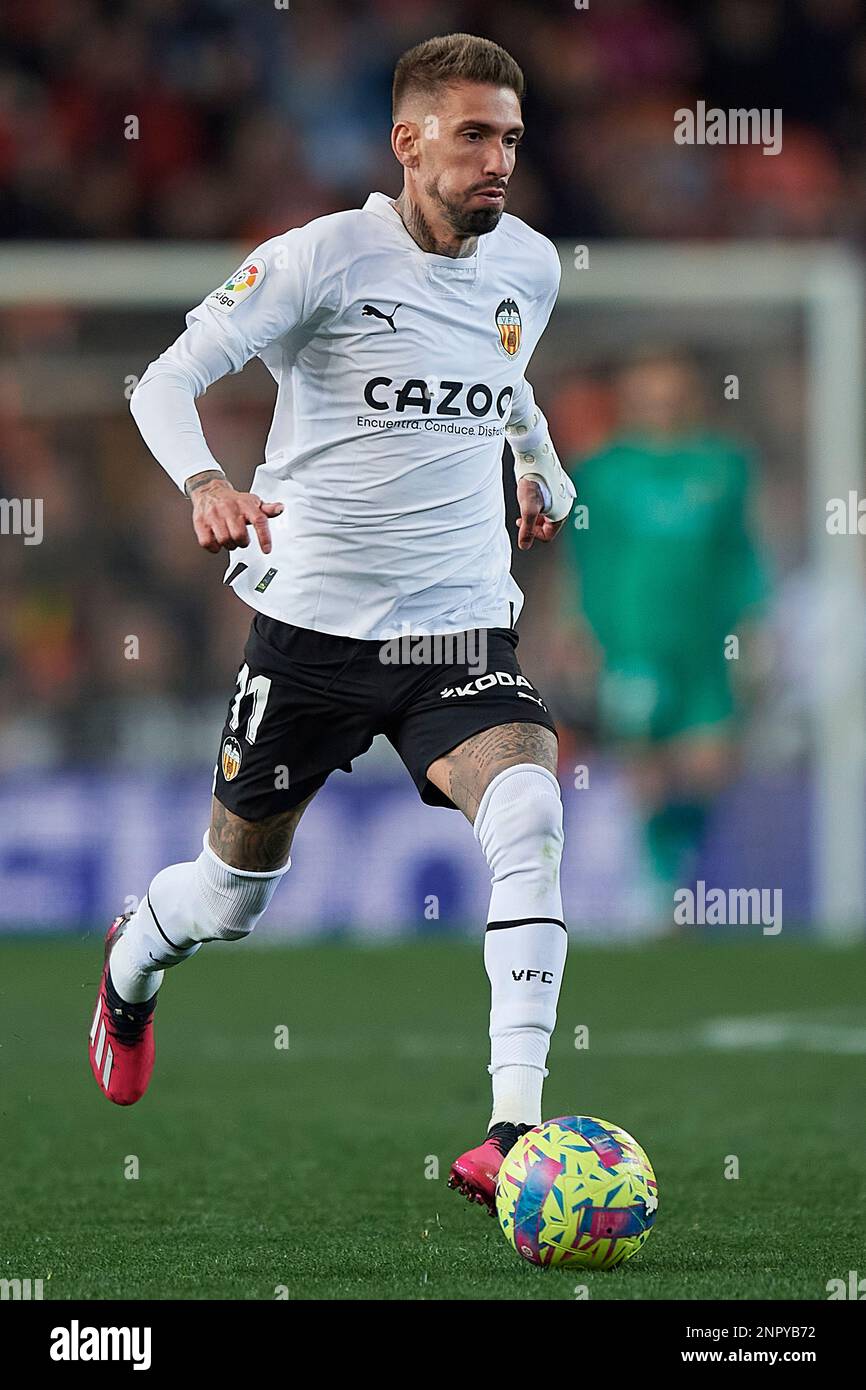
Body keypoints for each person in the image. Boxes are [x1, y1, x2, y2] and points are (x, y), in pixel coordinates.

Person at [88, 32, 576, 1214]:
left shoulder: (527, 264)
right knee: (232, 896)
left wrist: (537, 463)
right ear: (407, 141)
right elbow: (164, 379)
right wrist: (206, 482)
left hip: (456, 631)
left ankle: (512, 1129)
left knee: (527, 809)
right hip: (309, 631)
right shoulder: (320, 257)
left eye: (509, 138)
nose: (496, 160)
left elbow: (503, 374)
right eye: (471, 135)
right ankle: (132, 957)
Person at [560, 347, 768, 907]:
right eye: (649, 398)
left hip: (708, 648)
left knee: (707, 767)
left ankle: (680, 872)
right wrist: (578, 630)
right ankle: (658, 893)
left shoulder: (724, 465)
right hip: (632, 645)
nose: (661, 407)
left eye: (671, 396)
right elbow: (586, 559)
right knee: (645, 772)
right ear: (630, 402)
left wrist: (754, 624)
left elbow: (741, 554)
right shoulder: (603, 471)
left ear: (690, 398)